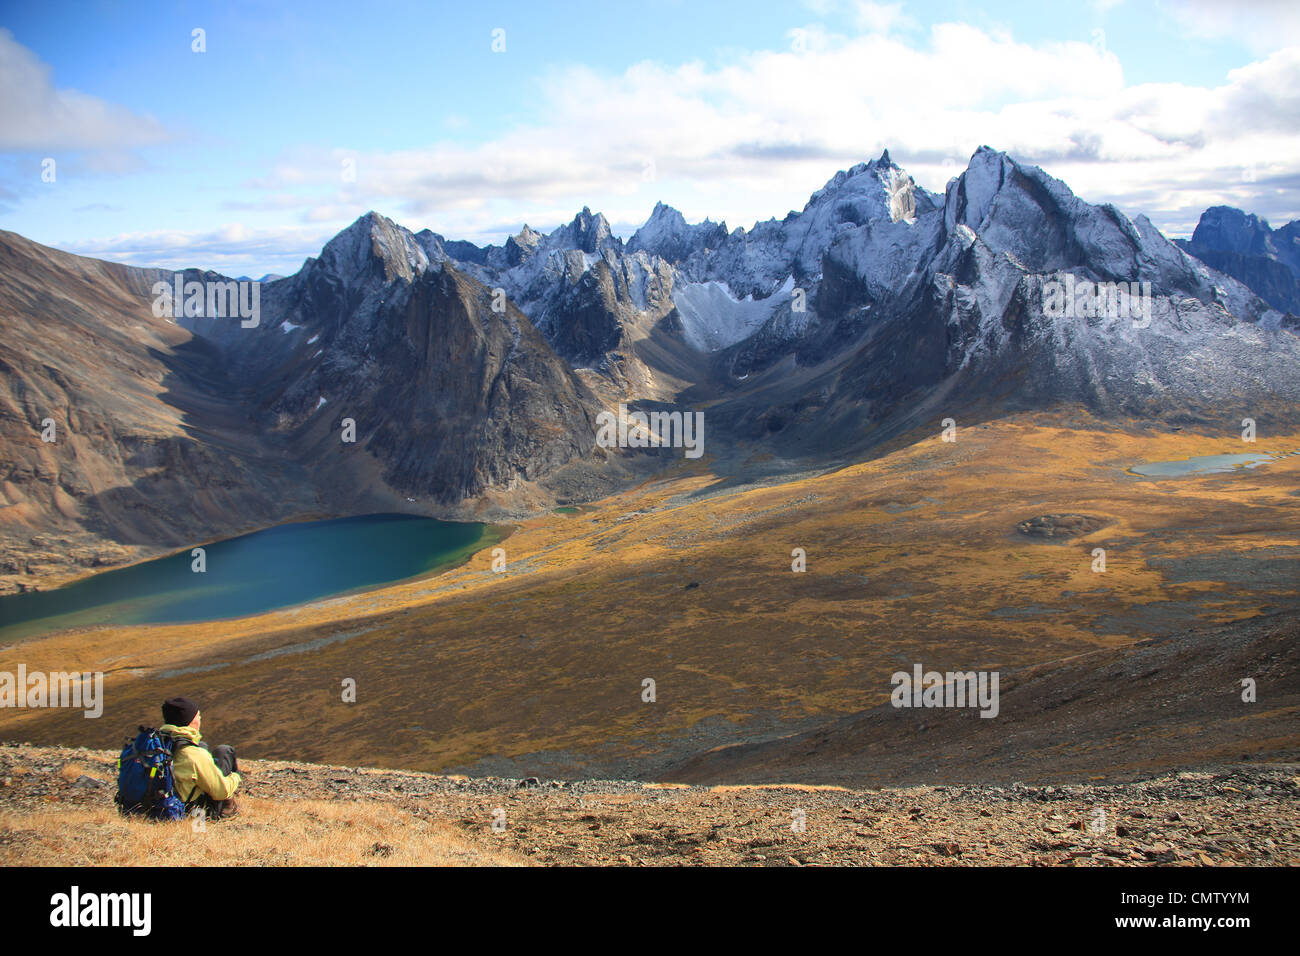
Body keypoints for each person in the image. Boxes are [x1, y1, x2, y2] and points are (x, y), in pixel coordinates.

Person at [158, 696, 243, 820]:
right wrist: (235, 776)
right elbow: (221, 791)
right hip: (189, 812)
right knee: (224, 751)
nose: (200, 719)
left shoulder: (156, 744)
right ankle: (227, 807)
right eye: (198, 716)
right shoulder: (193, 754)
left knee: (202, 745)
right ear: (189, 720)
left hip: (152, 804)